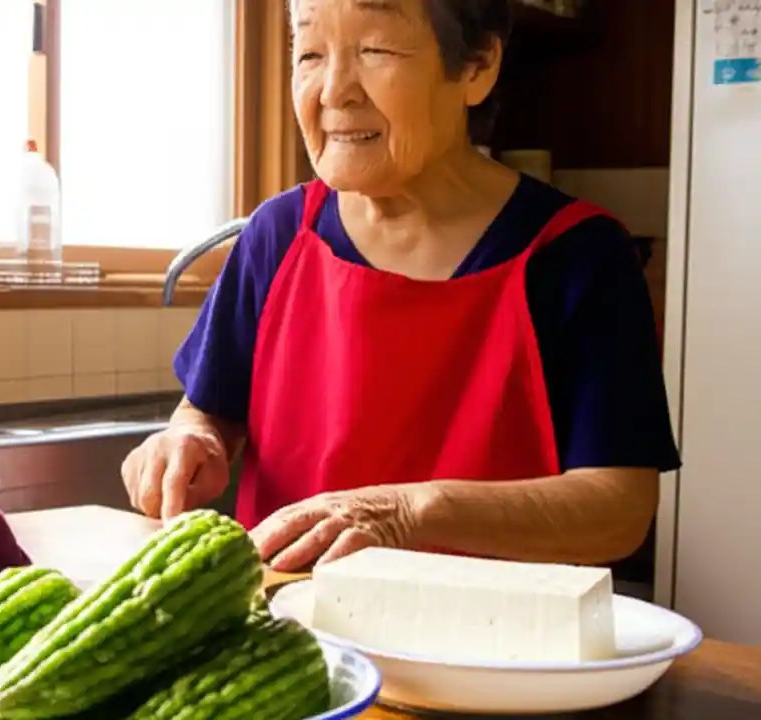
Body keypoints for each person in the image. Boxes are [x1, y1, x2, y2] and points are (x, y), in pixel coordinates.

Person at [121, 0, 680, 573]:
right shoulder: (278, 233)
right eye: (310, 52)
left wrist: (406, 515)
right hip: (289, 637)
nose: (335, 91)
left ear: (477, 67)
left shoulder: (578, 254)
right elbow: (207, 410)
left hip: (498, 647)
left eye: (376, 50)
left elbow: (619, 510)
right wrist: (191, 442)